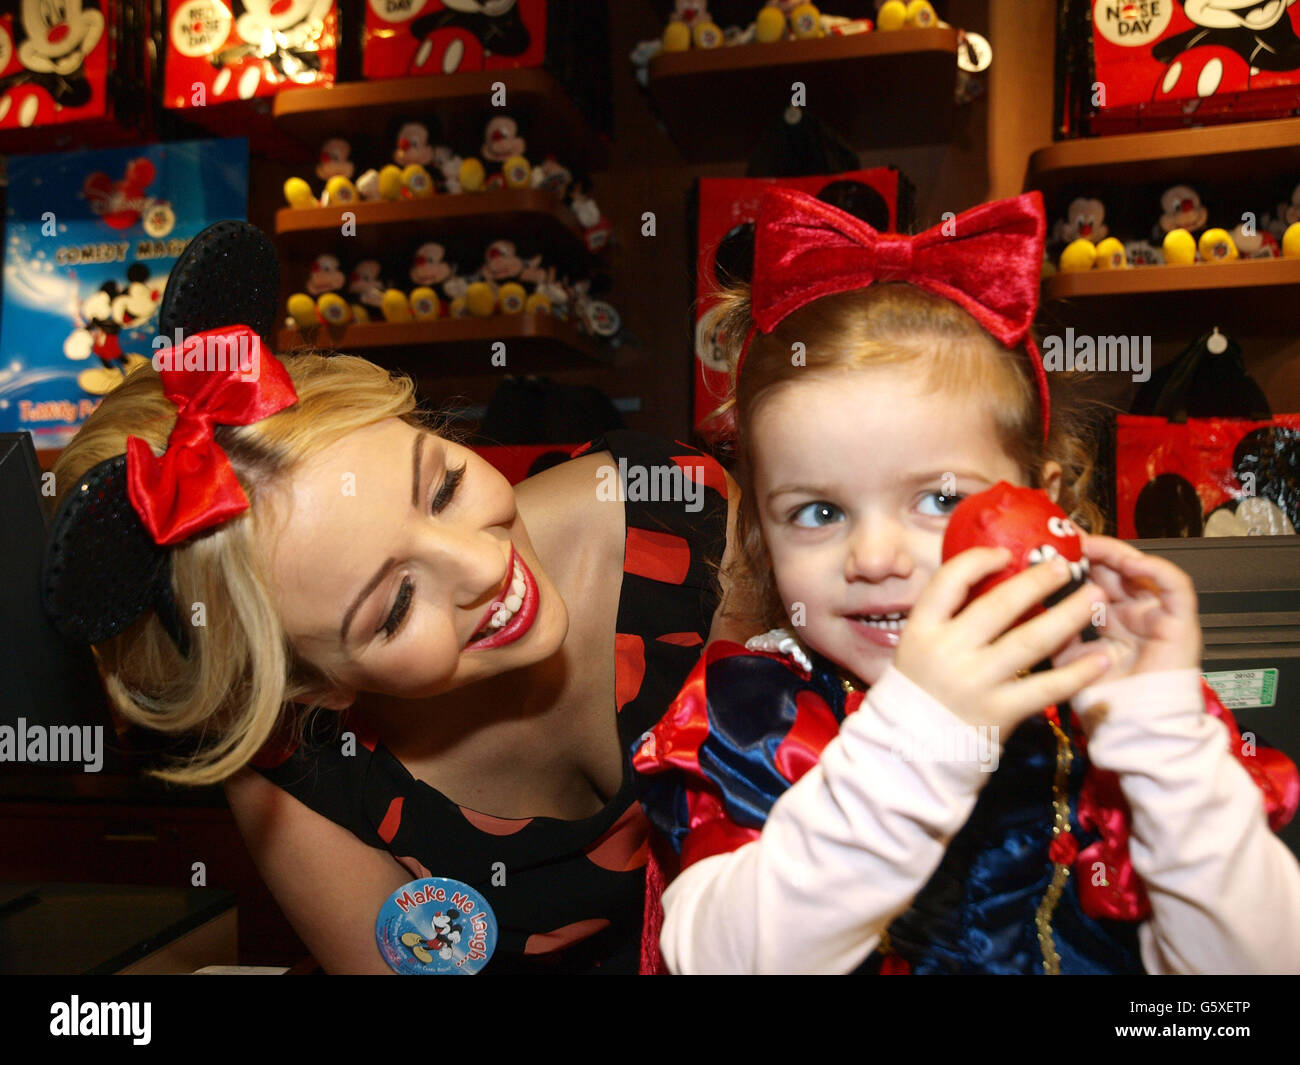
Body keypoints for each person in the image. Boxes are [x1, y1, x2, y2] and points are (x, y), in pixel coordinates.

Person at [42, 224, 752, 975]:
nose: (483, 566)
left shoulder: (675, 519)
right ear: (314, 686)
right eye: (395, 606)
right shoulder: (302, 784)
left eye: (442, 486)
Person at [633, 188, 1300, 974]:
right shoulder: (750, 717)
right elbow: (717, 958)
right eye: (818, 510)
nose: (874, 556)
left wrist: (1160, 743)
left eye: (941, 498)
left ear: (1045, 502)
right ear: (760, 537)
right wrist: (916, 743)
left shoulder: (1108, 710)